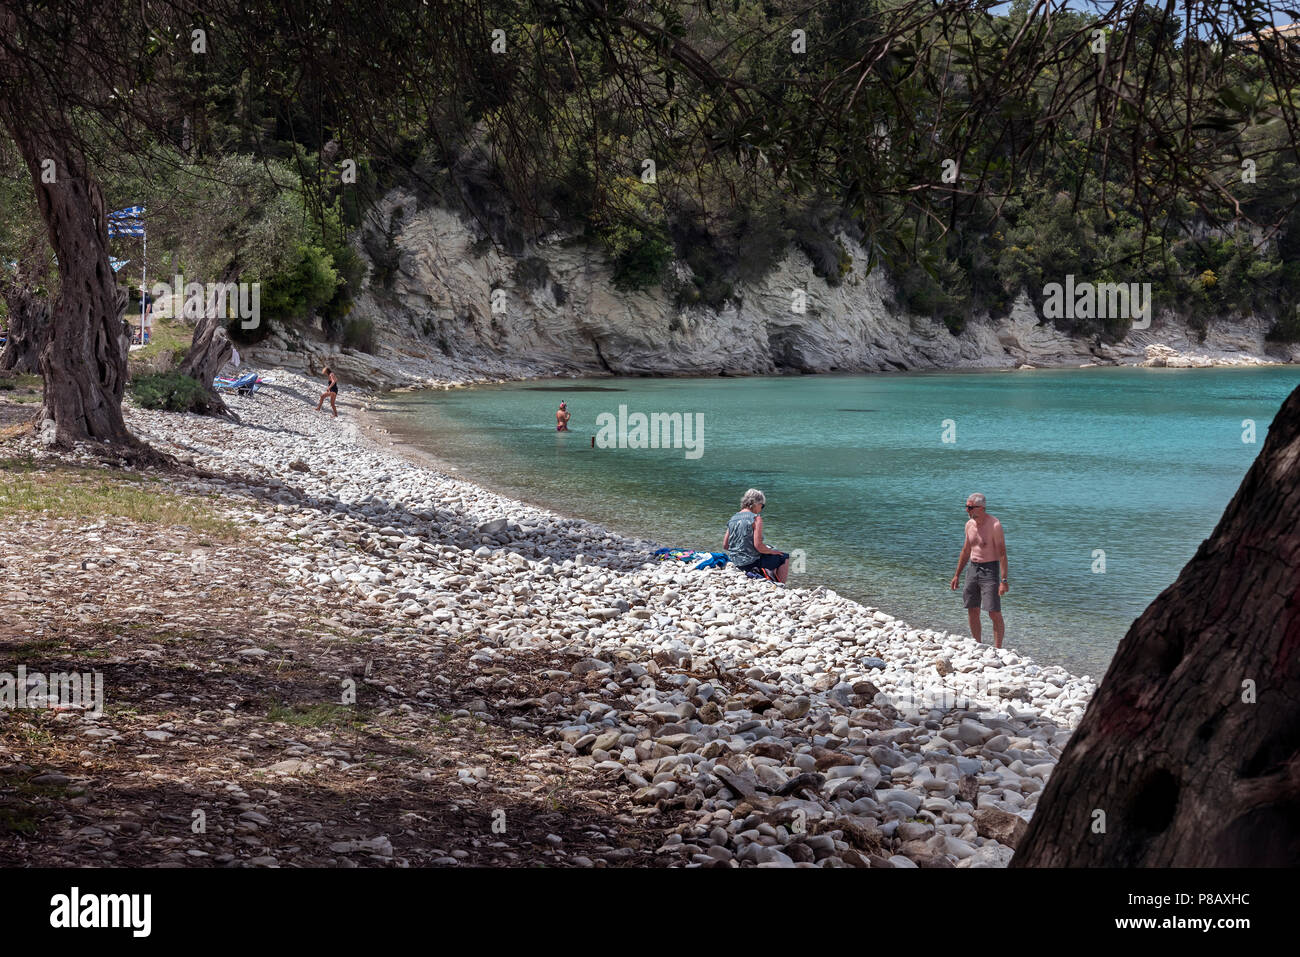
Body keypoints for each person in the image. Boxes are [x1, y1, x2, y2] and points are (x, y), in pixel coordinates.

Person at [949, 492, 1009, 648]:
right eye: (966, 507)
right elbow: (965, 550)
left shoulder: (995, 525)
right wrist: (957, 575)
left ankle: (998, 649)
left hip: (990, 569)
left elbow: (1002, 553)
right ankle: (978, 645)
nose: (967, 510)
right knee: (972, 608)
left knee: (993, 611)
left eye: (970, 507)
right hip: (972, 568)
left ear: (981, 508)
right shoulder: (969, 525)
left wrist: (1004, 580)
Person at [723, 488, 790, 583]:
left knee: (769, 552)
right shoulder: (756, 518)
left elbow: (725, 545)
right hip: (750, 563)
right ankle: (781, 586)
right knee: (783, 557)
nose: (761, 509)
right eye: (762, 506)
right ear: (756, 503)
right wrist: (773, 552)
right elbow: (758, 546)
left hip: (735, 562)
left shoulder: (733, 518)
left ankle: (768, 577)